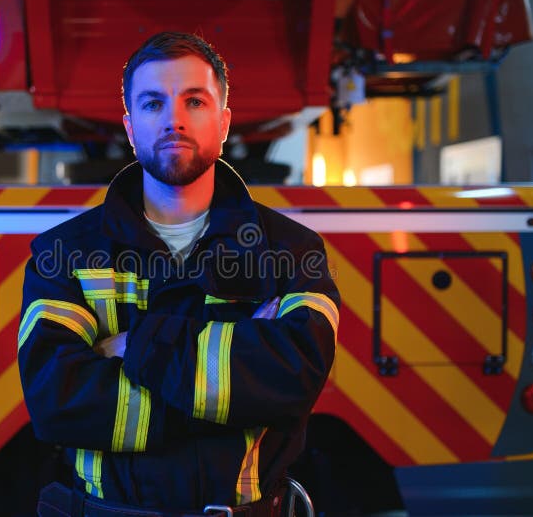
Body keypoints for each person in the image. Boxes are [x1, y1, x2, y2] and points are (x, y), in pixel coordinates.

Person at [18, 31, 339, 517]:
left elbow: (293, 384)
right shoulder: (63, 253)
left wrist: (134, 345)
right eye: (153, 104)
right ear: (130, 128)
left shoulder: (292, 251)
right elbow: (56, 404)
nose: (174, 119)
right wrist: (237, 382)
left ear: (223, 121)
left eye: (194, 100)